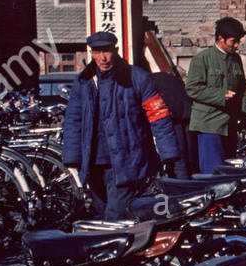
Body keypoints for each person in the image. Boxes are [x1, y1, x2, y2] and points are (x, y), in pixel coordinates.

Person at [62, 32, 180, 219]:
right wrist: (72, 158)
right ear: (91, 53)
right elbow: (73, 119)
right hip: (94, 162)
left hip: (128, 161)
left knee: (115, 217)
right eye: (98, 52)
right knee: (102, 212)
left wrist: (168, 153)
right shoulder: (84, 81)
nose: (103, 57)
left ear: (116, 51)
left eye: (107, 51)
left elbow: (158, 116)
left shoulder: (137, 77)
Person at [186, 17, 246, 173]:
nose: (237, 45)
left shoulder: (236, 59)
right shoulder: (202, 59)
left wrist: (245, 115)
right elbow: (192, 88)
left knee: (229, 174)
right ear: (220, 38)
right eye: (233, 41)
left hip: (230, 125)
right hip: (209, 125)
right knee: (213, 174)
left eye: (238, 41)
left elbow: (241, 89)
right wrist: (221, 95)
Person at [149, 68, 192, 179]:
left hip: (170, 120)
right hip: (185, 116)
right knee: (185, 159)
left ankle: (182, 191)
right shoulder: (167, 78)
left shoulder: (146, 83)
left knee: (177, 162)